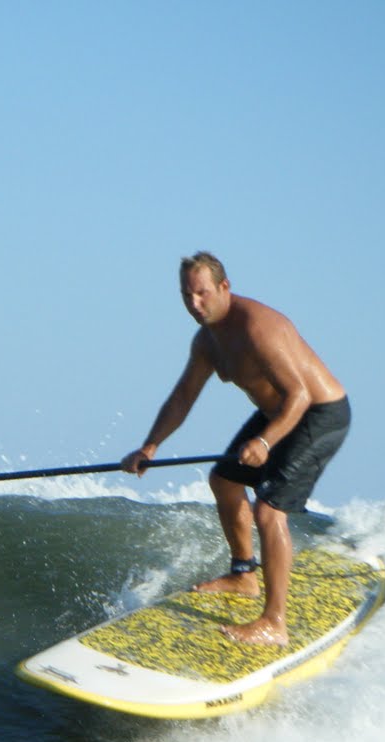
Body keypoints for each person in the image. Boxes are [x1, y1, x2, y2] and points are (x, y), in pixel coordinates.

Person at [121, 252, 351, 647]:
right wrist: (150, 445)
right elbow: (183, 397)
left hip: (318, 413)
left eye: (202, 294)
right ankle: (244, 575)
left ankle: (274, 623)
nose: (195, 305)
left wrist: (264, 442)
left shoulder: (258, 328)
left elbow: (299, 394)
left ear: (224, 288)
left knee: (269, 509)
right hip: (277, 412)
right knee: (224, 480)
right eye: (187, 296)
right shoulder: (207, 341)